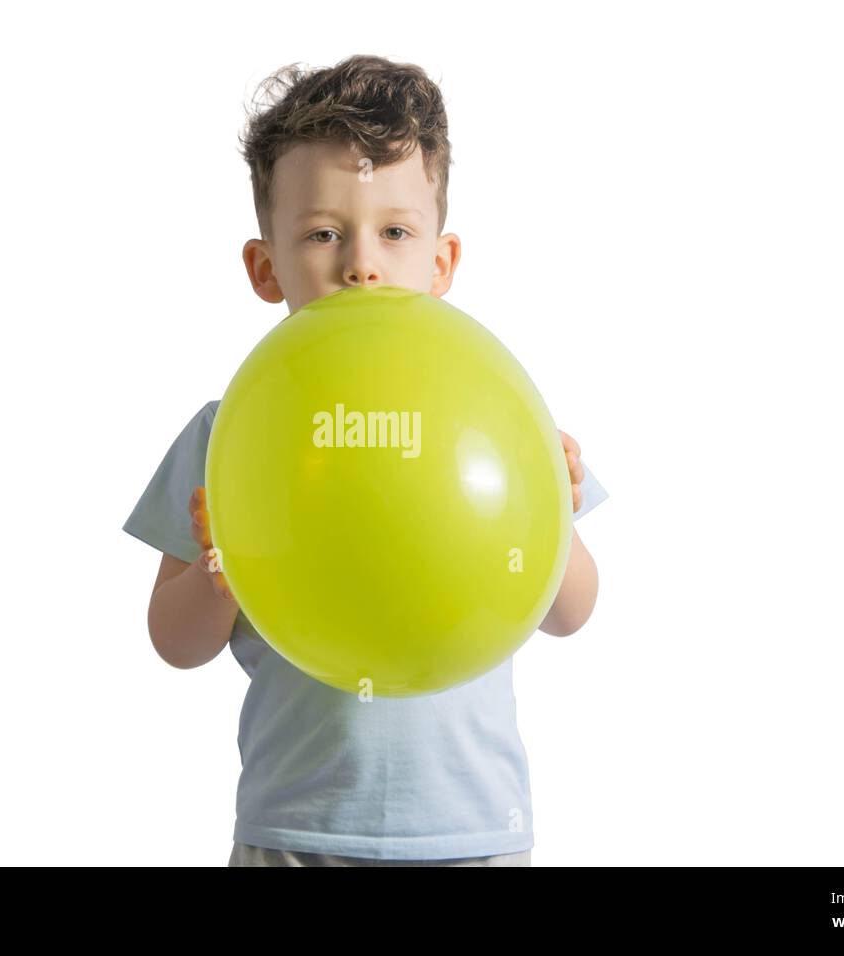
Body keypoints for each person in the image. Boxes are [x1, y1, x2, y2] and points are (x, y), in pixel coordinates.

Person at [123, 54, 609, 866]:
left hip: (473, 831)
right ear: (265, 265)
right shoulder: (230, 431)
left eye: (394, 231)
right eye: (322, 233)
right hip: (296, 832)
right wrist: (221, 570)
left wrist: (552, 518)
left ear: (442, 261)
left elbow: (571, 613)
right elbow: (173, 643)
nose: (361, 263)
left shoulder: (496, 416)